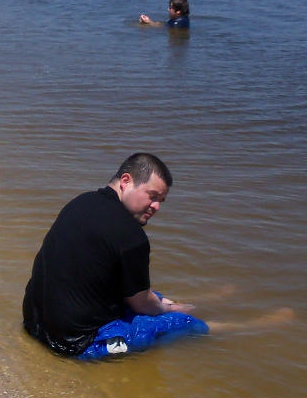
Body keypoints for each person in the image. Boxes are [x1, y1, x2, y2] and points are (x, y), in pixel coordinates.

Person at [22, 153, 208, 360]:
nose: (156, 207)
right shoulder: (131, 236)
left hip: (34, 323)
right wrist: (169, 309)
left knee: (148, 296)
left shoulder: (81, 202)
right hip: (75, 343)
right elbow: (142, 305)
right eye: (152, 196)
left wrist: (161, 305)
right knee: (189, 323)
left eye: (161, 201)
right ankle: (235, 326)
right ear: (126, 181)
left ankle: (193, 303)